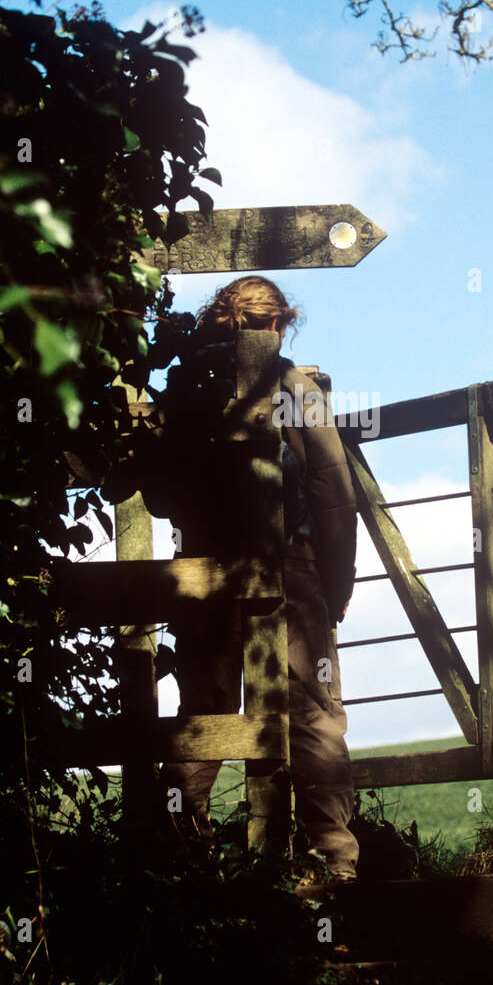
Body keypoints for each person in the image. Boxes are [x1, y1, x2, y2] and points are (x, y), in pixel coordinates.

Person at [160, 275, 360, 880]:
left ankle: (179, 860)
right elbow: (332, 494)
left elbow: (162, 492)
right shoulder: (295, 387)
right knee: (312, 709)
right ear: (278, 325)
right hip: (290, 566)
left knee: (206, 708)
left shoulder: (187, 392)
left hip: (204, 572)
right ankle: (335, 865)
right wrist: (336, 587)